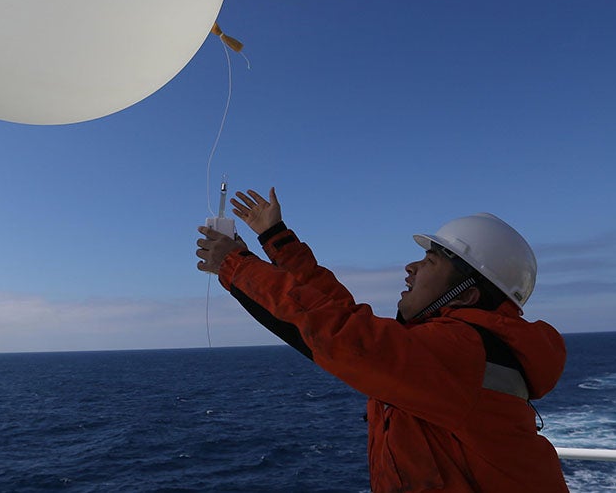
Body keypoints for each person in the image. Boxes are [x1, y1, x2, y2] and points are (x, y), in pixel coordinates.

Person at [196, 188, 569, 493]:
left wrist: (237, 264)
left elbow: (339, 333)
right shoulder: (458, 346)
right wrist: (276, 239)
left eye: (431, 260)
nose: (412, 267)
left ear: (467, 295)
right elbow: (334, 311)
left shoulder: (460, 349)